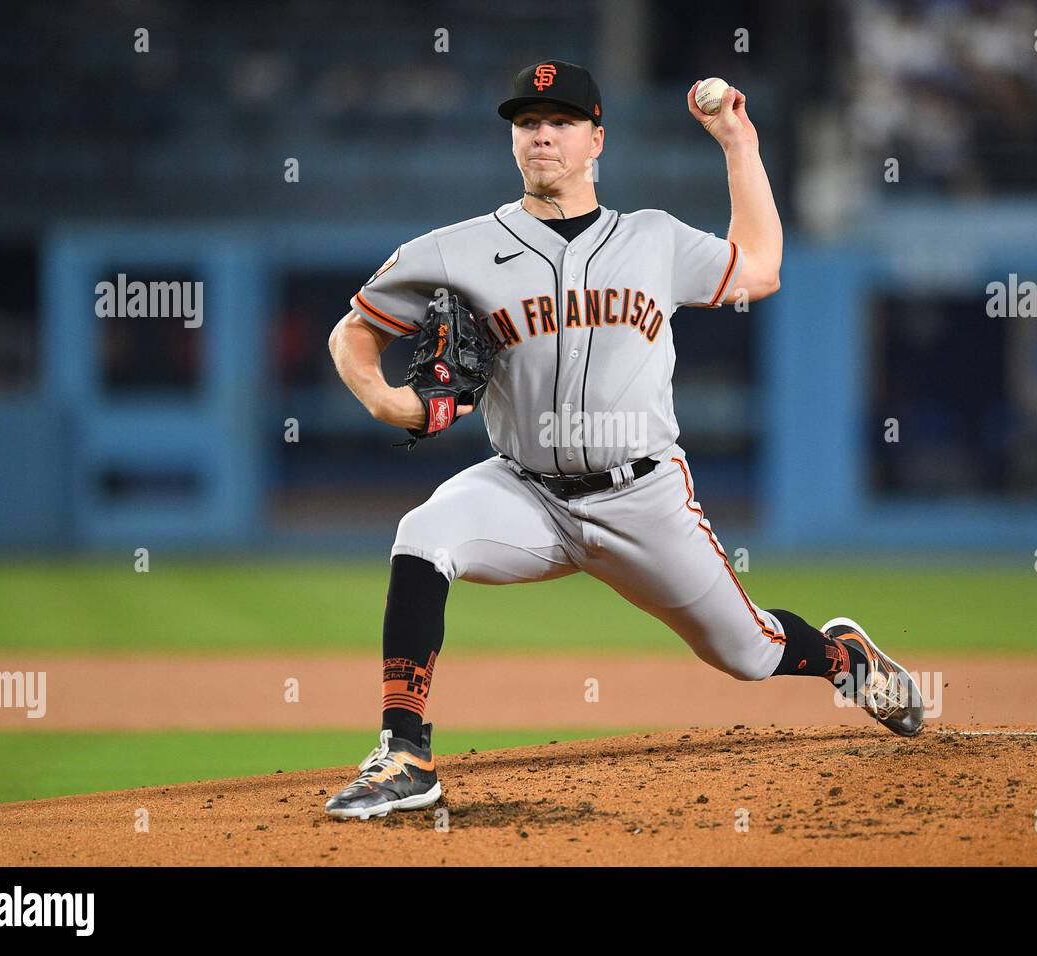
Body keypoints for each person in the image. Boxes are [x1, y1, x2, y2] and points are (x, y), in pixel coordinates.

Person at [324, 59, 923, 820]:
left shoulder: (654, 240)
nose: (542, 135)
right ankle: (404, 752)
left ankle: (846, 658)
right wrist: (387, 402)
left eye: (561, 121)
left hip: (643, 496)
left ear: (595, 138)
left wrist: (739, 146)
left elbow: (763, 270)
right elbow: (356, 332)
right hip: (524, 491)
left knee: (748, 654)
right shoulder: (456, 249)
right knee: (421, 535)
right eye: (527, 122)